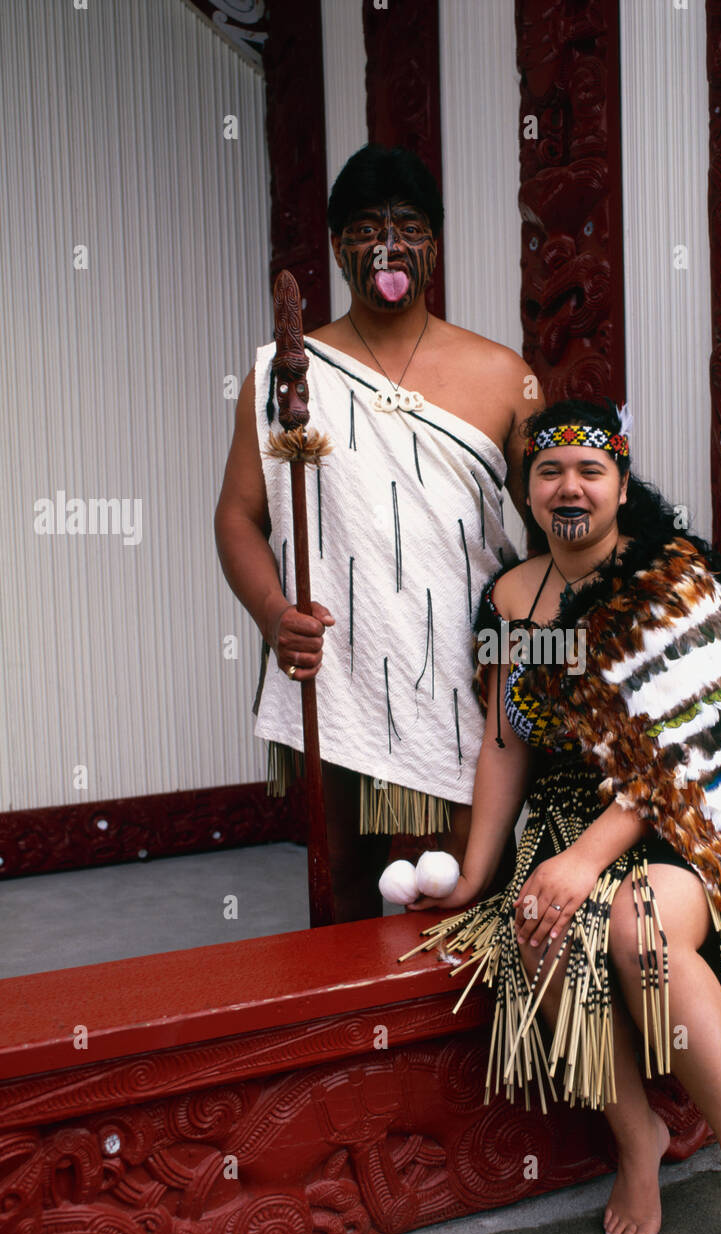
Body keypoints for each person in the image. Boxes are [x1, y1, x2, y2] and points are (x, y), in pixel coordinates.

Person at [404, 397, 721, 1234]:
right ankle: (639, 1138)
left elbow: (689, 741)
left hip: (695, 816)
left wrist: (589, 861)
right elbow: (507, 741)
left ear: (622, 483)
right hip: (573, 819)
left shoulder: (670, 576)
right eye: (549, 471)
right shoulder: (513, 596)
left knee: (640, 930)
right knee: (537, 920)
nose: (569, 486)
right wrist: (477, 873)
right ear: (529, 490)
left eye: (590, 470)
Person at [215, 145, 537, 920]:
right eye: (365, 228)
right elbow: (238, 515)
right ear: (335, 246)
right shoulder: (285, 375)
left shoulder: (502, 375)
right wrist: (273, 615)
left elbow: (559, 531)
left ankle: (460, 1044)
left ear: (436, 242)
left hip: (466, 668)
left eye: (409, 228)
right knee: (345, 897)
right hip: (340, 671)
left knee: (467, 890)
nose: (389, 248)